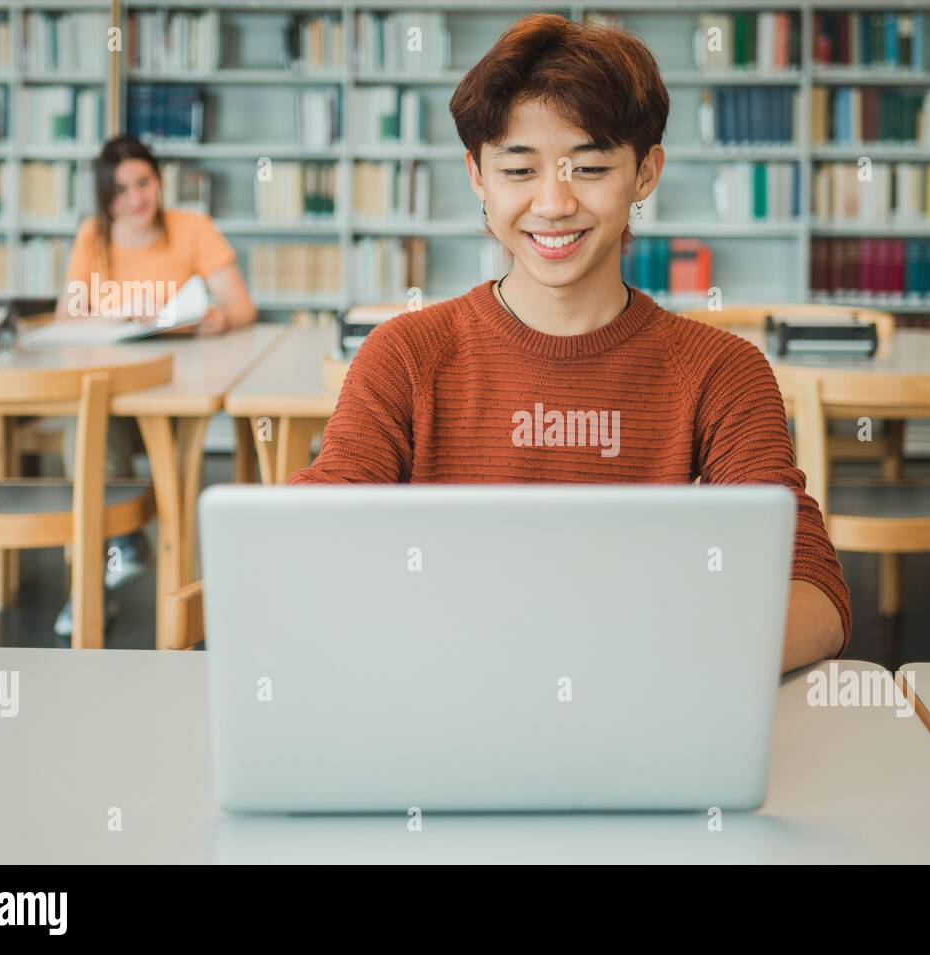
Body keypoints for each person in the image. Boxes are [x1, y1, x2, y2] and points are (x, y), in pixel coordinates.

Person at [290, 13, 851, 673]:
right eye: (518, 169)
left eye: (588, 167)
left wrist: (655, 659)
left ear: (645, 174)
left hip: (644, 698)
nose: (553, 203)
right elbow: (312, 542)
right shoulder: (404, 354)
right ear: (478, 176)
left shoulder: (722, 372)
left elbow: (814, 591)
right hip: (447, 696)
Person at [51, 135, 257, 637]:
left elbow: (243, 308)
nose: (135, 198)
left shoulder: (193, 228)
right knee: (84, 435)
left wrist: (216, 319)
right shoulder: (92, 237)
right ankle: (105, 570)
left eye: (143, 182)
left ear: (159, 181)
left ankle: (128, 557)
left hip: (179, 393)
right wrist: (118, 314)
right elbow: (65, 317)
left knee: (93, 437)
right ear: (105, 197)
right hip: (117, 394)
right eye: (120, 190)